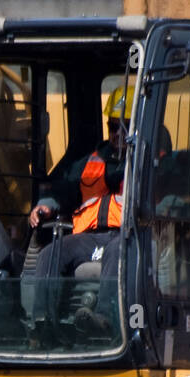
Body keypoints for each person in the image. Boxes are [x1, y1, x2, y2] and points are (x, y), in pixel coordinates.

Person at [26, 84, 133, 332]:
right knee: (49, 253)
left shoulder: (147, 161)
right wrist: (45, 207)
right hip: (88, 237)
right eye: (113, 126)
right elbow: (63, 190)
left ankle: (104, 319)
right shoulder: (91, 160)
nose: (117, 133)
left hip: (126, 236)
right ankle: (42, 322)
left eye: (124, 126)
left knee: (118, 251)